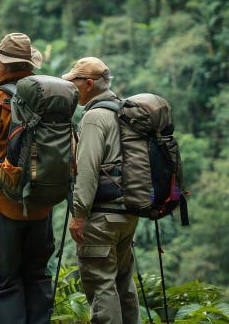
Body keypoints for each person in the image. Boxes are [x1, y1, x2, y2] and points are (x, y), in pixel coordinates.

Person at [0, 33, 55, 324]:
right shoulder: (50, 97)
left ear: (2, 66)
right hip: (42, 204)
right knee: (38, 276)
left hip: (2, 203)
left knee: (5, 282)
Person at [63, 57, 140, 323]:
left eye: (74, 82)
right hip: (128, 212)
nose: (72, 88)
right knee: (123, 284)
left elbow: (87, 170)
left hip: (101, 217)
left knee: (101, 286)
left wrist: (79, 214)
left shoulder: (95, 117)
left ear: (88, 83)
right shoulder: (124, 111)